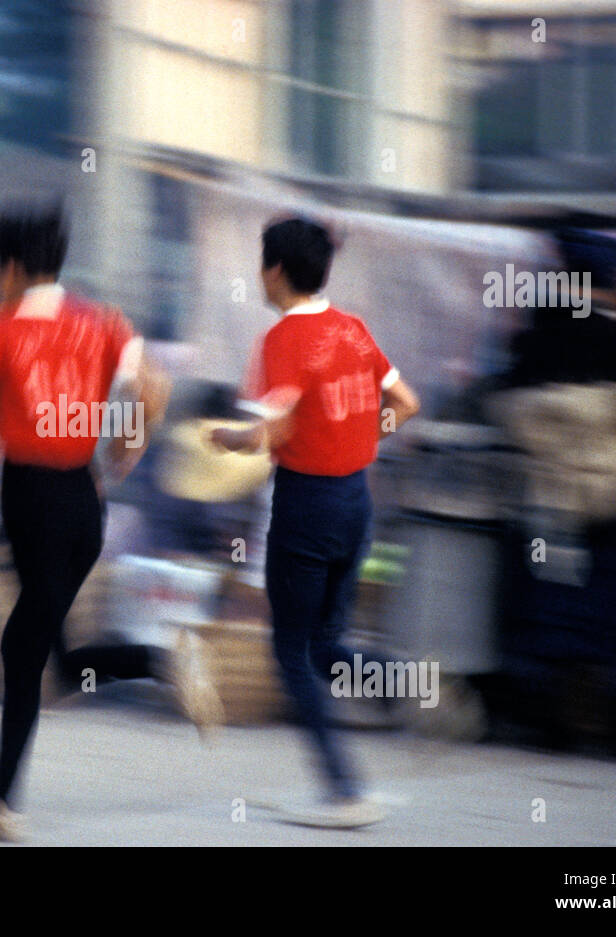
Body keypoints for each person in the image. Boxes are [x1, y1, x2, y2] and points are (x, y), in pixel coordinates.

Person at [0, 205, 217, 841]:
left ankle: (0, 805)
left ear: (10, 266)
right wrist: (125, 449)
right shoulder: (102, 321)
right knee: (62, 662)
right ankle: (164, 661)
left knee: (22, 649)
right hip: (81, 500)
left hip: (32, 504)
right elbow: (154, 387)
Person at [211, 216, 419, 828]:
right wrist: (360, 437)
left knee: (292, 653)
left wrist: (228, 438)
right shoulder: (353, 329)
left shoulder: (281, 340)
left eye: (261, 265)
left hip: (305, 507)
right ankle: (408, 683)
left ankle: (345, 791)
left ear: (275, 271)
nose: (259, 276)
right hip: (356, 502)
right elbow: (405, 403)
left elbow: (271, 432)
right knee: (326, 646)